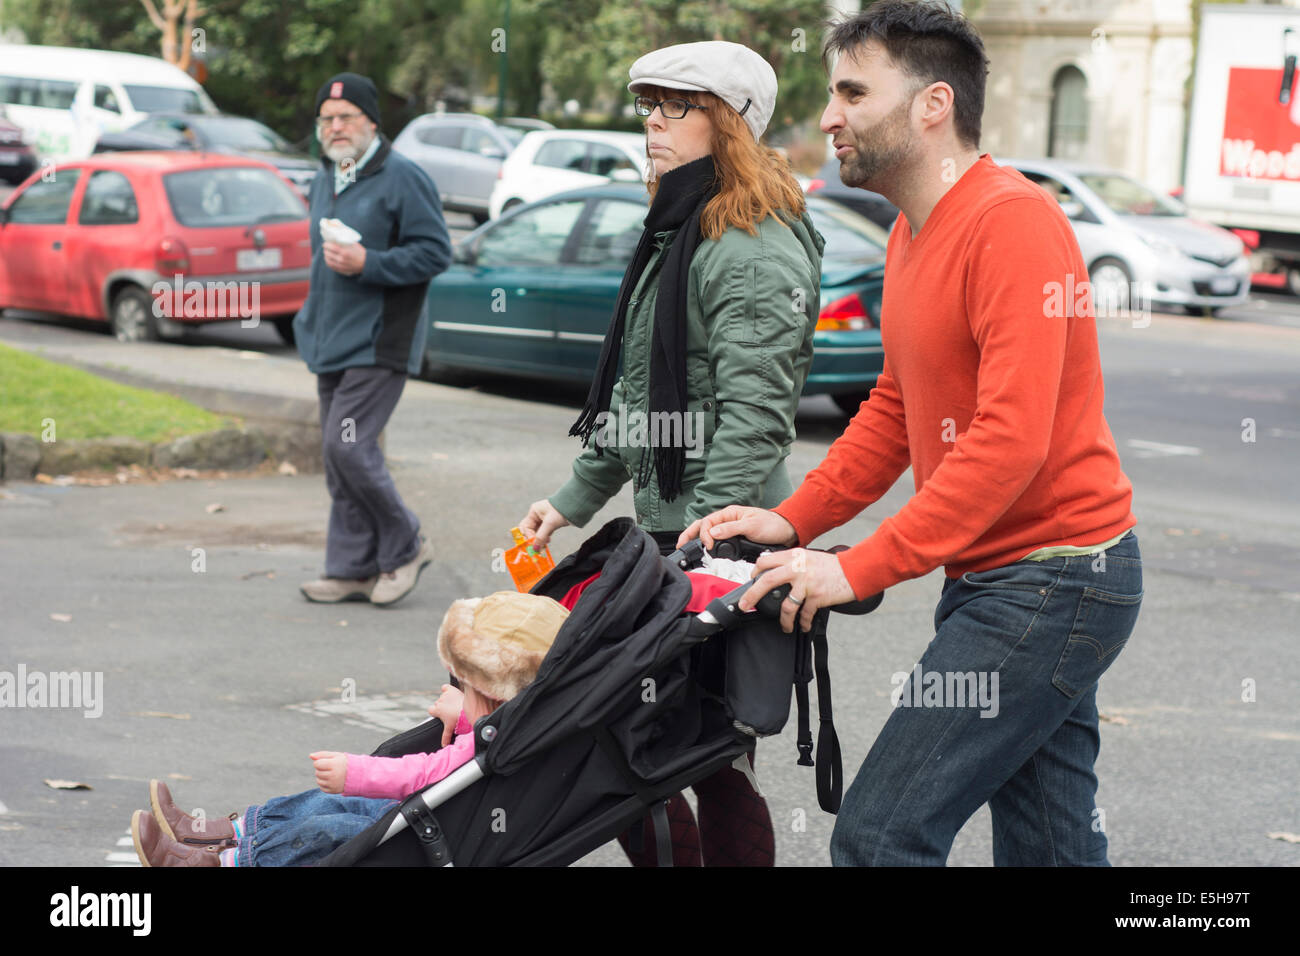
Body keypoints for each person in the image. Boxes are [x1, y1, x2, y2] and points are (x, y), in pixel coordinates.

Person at [681, 0, 1143, 867]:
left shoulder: (1012, 224)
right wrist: (793, 519)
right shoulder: (912, 232)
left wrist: (857, 566)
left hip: (1053, 582)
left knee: (881, 833)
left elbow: (1009, 439)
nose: (829, 117)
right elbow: (895, 406)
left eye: (853, 92)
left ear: (934, 104)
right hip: (1012, 579)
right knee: (1051, 850)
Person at [518, 41, 825, 867]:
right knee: (641, 747)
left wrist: (703, 543)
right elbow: (641, 401)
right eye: (647, 102)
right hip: (673, 538)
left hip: (722, 542)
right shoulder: (682, 225)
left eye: (673, 105)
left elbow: (755, 416)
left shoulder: (751, 242)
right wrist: (573, 498)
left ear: (728, 123)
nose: (650, 120)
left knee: (690, 754)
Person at [130, 591, 567, 866]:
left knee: (326, 830)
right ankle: (229, 831)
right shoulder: (517, 723)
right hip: (435, 812)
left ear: (495, 694)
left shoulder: (497, 744)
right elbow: (473, 737)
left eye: (467, 687)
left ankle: (221, 864)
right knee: (322, 806)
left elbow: (424, 774)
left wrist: (354, 773)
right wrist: (467, 714)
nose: (460, 690)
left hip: (433, 829)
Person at [294, 72, 451, 607]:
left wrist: (370, 263)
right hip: (329, 339)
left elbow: (435, 253)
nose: (336, 128)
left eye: (346, 118)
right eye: (326, 119)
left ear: (372, 123)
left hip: (381, 338)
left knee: (349, 447)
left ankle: (407, 545)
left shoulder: (403, 176)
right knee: (338, 458)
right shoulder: (325, 176)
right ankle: (352, 568)